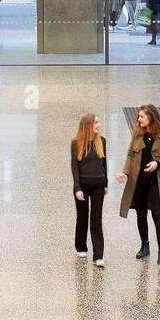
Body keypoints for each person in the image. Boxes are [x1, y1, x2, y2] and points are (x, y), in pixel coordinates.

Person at [117, 104, 160, 269]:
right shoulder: (138, 133)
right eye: (138, 116)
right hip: (138, 182)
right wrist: (125, 172)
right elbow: (130, 154)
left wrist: (158, 163)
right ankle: (144, 245)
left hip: (155, 182)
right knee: (141, 214)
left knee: (158, 217)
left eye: (142, 116)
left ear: (151, 118)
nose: (138, 119)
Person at [71, 112, 108, 266]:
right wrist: (77, 188)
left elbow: (104, 163)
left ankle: (98, 255)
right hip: (83, 186)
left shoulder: (102, 141)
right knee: (82, 217)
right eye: (96, 122)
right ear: (88, 126)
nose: (99, 125)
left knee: (96, 219)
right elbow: (75, 167)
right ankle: (81, 246)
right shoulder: (76, 143)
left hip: (98, 185)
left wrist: (105, 184)